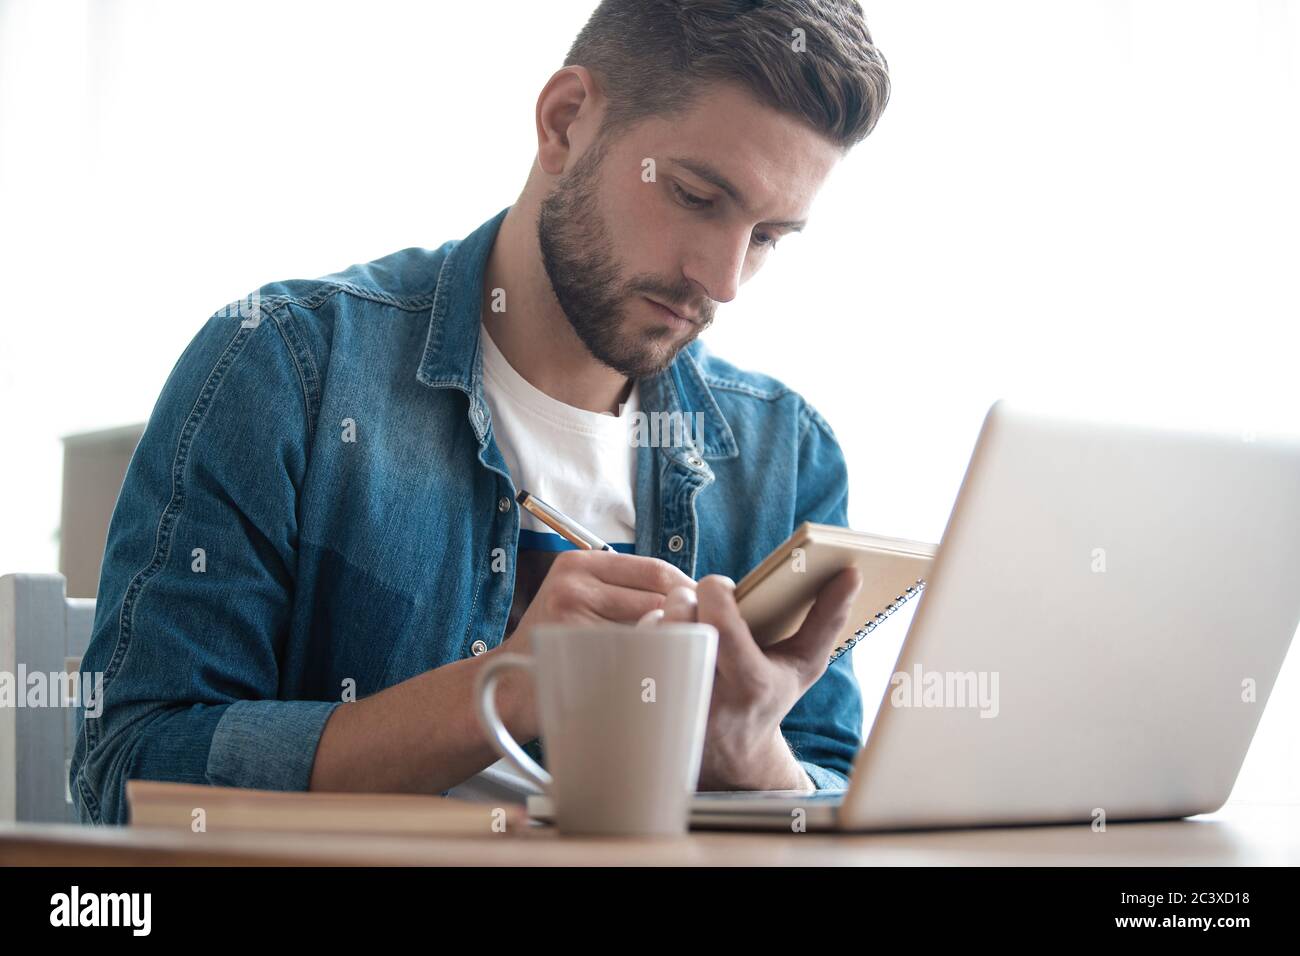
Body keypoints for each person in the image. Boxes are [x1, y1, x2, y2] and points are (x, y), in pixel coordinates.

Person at [70, 0, 890, 825]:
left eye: (768, 237)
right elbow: (129, 781)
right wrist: (501, 690)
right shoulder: (285, 369)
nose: (724, 280)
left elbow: (837, 791)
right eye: (695, 196)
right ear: (565, 123)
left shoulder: (789, 455)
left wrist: (753, 758)